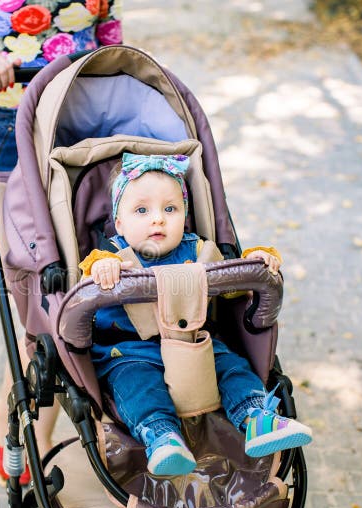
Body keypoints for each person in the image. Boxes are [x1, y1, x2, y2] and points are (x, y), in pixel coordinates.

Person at [0, 0, 123, 484]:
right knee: (36, 299)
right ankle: (25, 437)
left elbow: (111, 48)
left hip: (85, 128)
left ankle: (52, 430)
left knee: (88, 294)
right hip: (6, 127)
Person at [78, 153, 313, 476]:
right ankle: (162, 438)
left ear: (185, 216)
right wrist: (102, 271)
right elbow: (85, 282)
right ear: (119, 222)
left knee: (232, 365)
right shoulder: (110, 257)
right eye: (142, 210)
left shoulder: (198, 250)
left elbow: (232, 286)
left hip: (195, 344)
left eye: (170, 209)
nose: (158, 219)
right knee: (136, 385)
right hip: (131, 351)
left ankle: (257, 417)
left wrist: (255, 262)